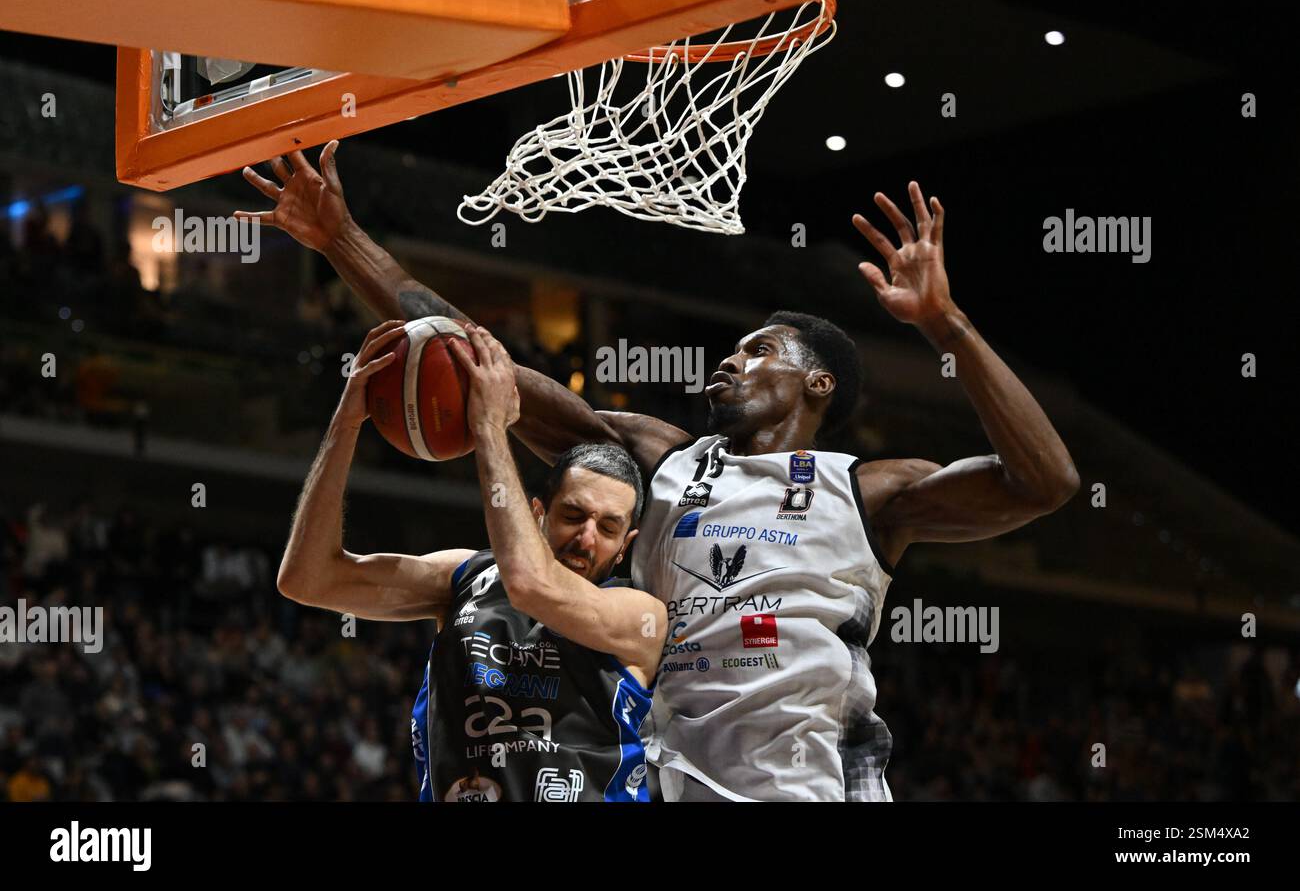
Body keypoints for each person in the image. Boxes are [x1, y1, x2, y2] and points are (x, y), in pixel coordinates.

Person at [242, 146, 1079, 801]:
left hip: (808, 786)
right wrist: (340, 240)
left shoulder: (870, 491)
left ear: (818, 384)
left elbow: (1043, 483)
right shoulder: (664, 458)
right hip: (665, 783)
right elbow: (478, 360)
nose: (730, 357)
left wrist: (949, 326)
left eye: (760, 351)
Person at [277, 321, 666, 801]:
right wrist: (345, 425)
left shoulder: (640, 616)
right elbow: (308, 578)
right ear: (537, 515)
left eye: (608, 528)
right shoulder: (466, 577)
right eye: (573, 515)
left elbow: (531, 585)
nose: (587, 538)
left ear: (625, 545)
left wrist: (488, 426)